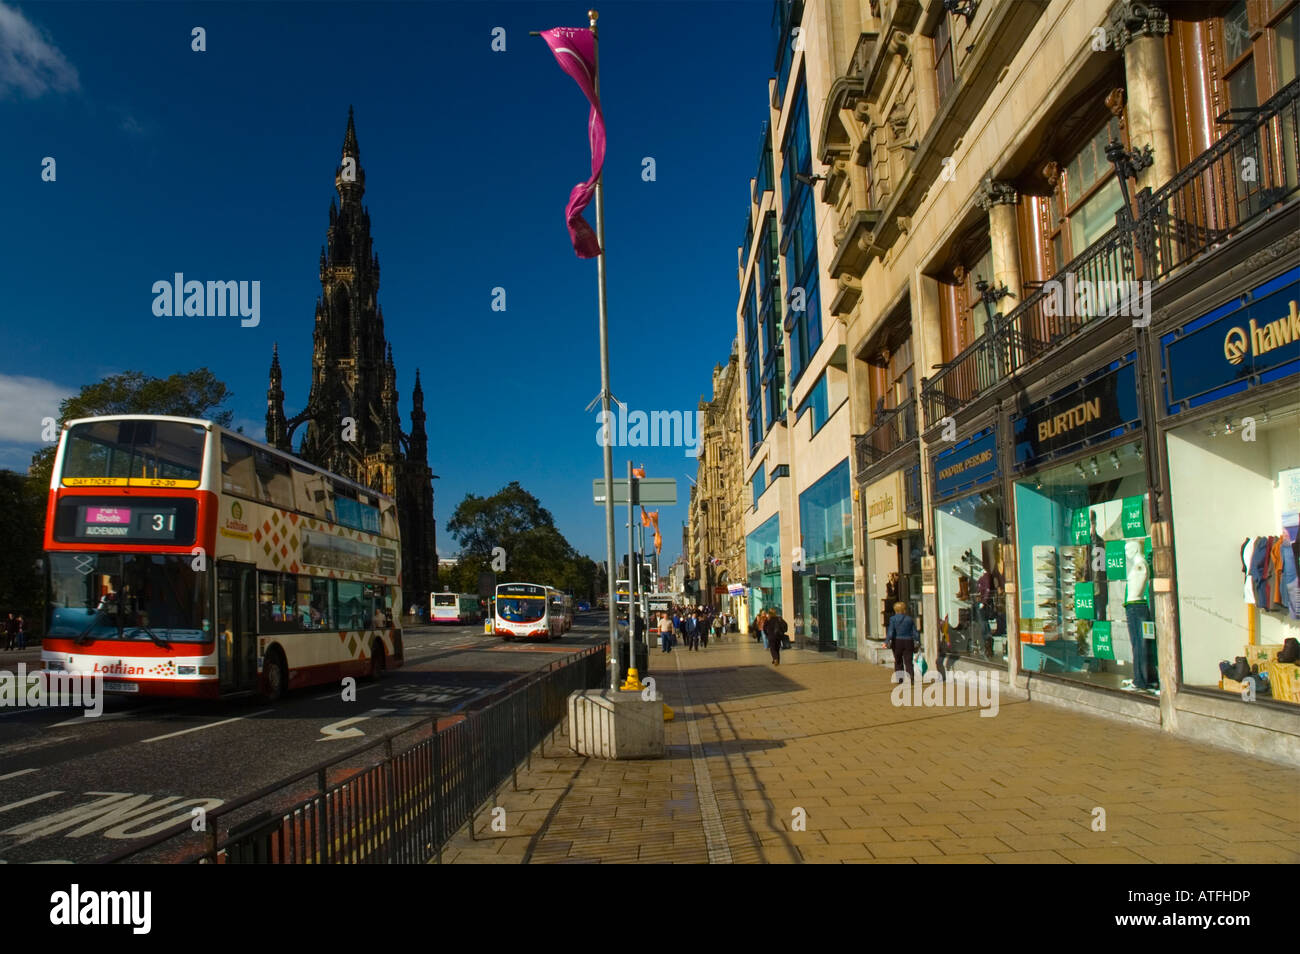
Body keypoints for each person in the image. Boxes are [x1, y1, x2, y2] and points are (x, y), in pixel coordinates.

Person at [885, 601, 918, 682]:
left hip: (897, 642)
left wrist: (887, 641)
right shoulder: (909, 619)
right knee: (908, 661)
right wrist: (917, 641)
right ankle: (911, 678)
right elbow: (915, 632)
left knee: (898, 660)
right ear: (904, 609)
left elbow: (891, 631)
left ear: (895, 609)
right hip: (908, 642)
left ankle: (900, 679)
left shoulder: (892, 619)